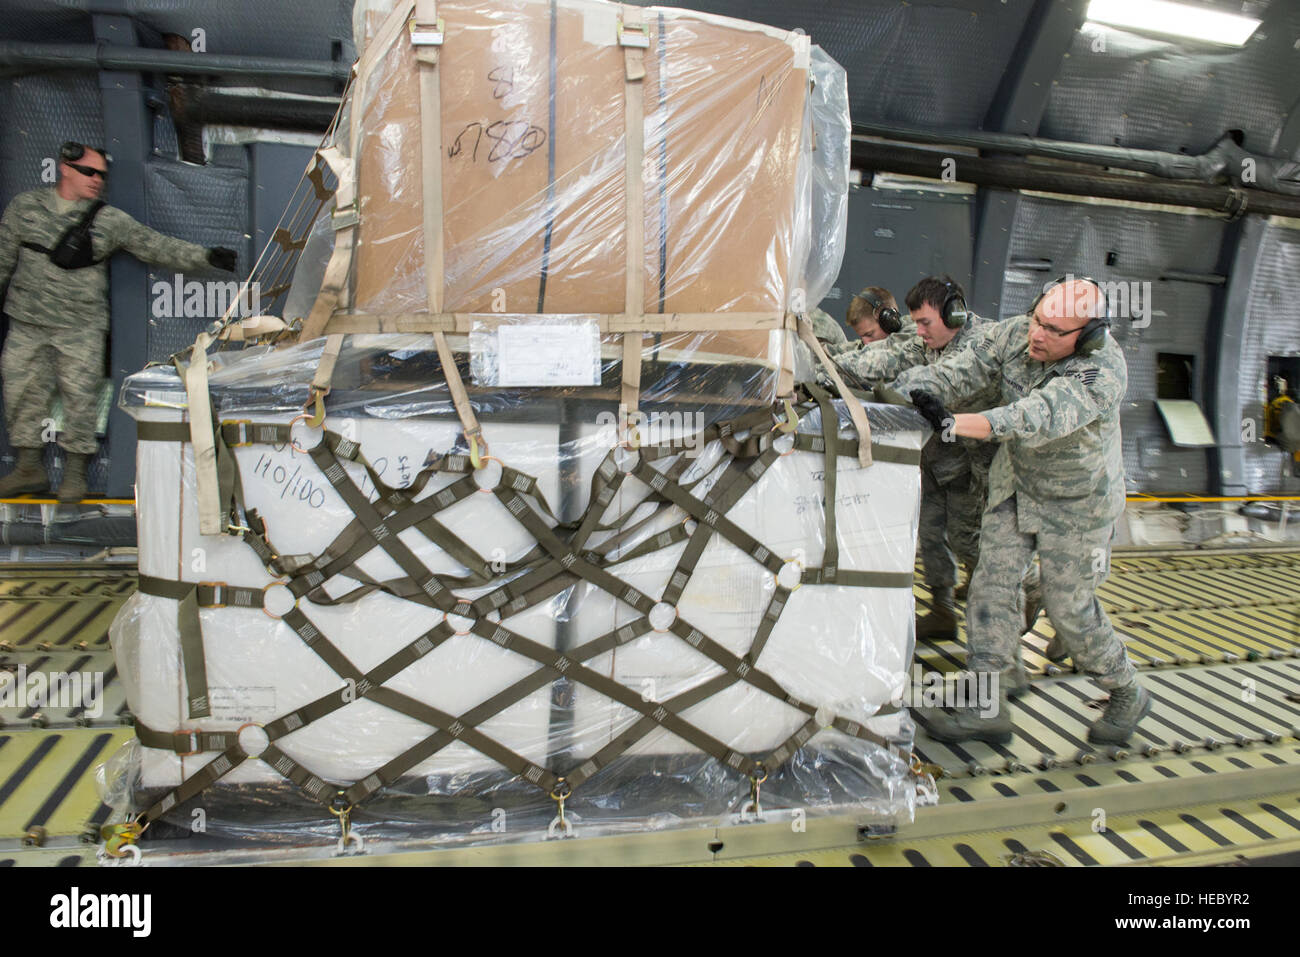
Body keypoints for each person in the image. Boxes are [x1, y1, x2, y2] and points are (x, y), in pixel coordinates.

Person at [898, 277, 1151, 745]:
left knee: (1068, 609)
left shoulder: (1101, 372)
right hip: (1016, 484)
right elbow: (967, 367)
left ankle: (1126, 690)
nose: (1038, 334)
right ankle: (987, 704)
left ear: (1088, 336)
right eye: (1038, 320)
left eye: (1055, 331)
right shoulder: (1019, 333)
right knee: (990, 586)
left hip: (1077, 502)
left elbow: (1031, 416)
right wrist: (905, 393)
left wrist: (955, 423)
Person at [0, 142, 236, 502]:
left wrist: (206, 257)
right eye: (89, 172)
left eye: (102, 176)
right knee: (21, 393)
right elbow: (3, 258)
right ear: (66, 169)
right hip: (26, 323)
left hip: (80, 327)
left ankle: (75, 474)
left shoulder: (107, 220)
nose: (97, 181)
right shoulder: (26, 208)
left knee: (81, 398)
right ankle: (29, 468)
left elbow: (154, 245)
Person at [831, 276, 1000, 642]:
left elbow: (942, 378)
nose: (918, 331)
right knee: (929, 535)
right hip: (939, 456)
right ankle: (942, 609)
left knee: (967, 539)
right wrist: (829, 367)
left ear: (954, 314)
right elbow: (887, 356)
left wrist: (899, 388)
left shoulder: (984, 345)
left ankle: (1026, 591)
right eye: (916, 322)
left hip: (978, 463)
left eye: (925, 323)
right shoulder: (928, 342)